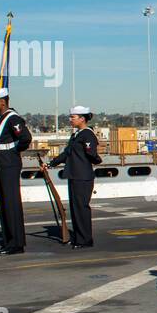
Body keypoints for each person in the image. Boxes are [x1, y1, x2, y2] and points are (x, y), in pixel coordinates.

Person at [46, 105, 102, 249]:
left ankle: (85, 240)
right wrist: (51, 163)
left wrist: (97, 159)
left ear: (82, 119)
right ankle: (78, 237)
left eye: (73, 117)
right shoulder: (76, 135)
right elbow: (67, 154)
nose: (70, 120)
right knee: (75, 208)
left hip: (83, 176)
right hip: (74, 175)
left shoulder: (87, 135)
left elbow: (91, 153)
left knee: (81, 208)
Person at [0, 87, 32, 255]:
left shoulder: (12, 119)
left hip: (9, 163)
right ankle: (8, 240)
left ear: (2, 102)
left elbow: (25, 138)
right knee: (3, 204)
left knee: (11, 203)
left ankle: (16, 243)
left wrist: (13, 151)